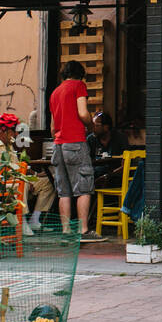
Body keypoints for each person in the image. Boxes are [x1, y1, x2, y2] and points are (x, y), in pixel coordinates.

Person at [0, 112, 57, 234]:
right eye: (14, 131)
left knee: (48, 182)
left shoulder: (9, 146)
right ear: (4, 130)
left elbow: (17, 168)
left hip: (16, 180)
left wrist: (31, 177)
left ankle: (35, 219)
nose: (16, 134)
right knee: (21, 185)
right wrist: (23, 180)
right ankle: (21, 221)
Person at [49, 61, 101, 242]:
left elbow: (53, 126)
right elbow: (83, 113)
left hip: (58, 144)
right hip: (75, 142)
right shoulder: (79, 86)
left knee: (63, 191)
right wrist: (92, 126)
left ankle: (65, 231)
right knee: (83, 187)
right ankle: (83, 230)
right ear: (80, 74)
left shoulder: (55, 92)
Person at [87, 111, 128, 192]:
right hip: (95, 176)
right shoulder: (91, 139)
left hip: (114, 175)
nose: (93, 128)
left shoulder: (120, 138)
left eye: (96, 125)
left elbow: (125, 165)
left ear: (106, 127)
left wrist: (107, 176)